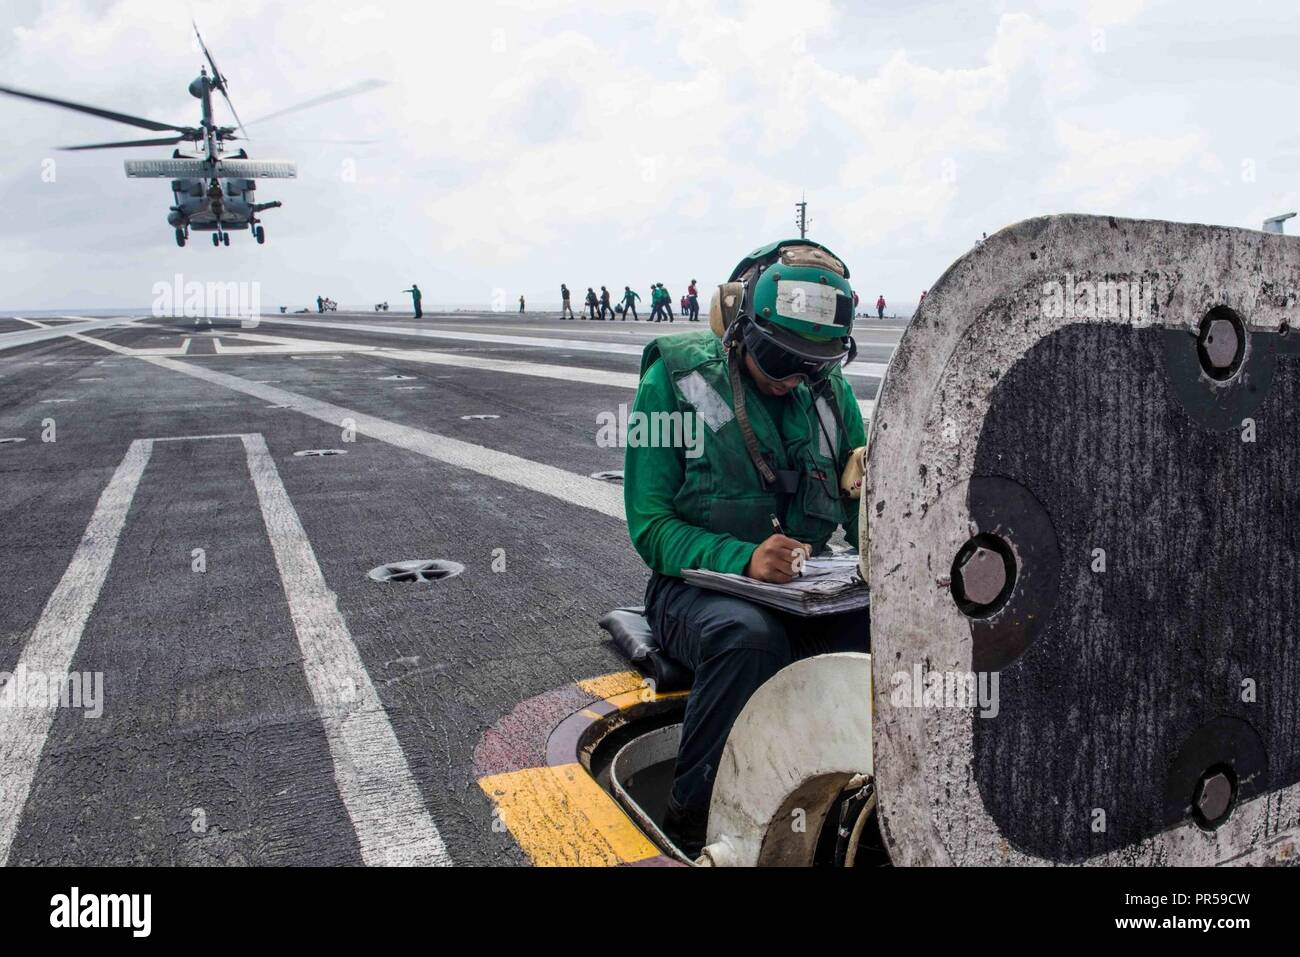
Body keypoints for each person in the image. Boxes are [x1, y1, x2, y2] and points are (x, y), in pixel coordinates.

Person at [624, 238, 869, 858]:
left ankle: (858, 807)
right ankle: (695, 816)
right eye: (777, 358)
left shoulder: (831, 396)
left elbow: (865, 516)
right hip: (693, 589)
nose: (791, 379)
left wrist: (878, 526)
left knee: (878, 626)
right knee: (750, 636)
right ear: (738, 324)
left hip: (805, 589)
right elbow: (649, 526)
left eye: (810, 365)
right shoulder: (672, 382)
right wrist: (745, 558)